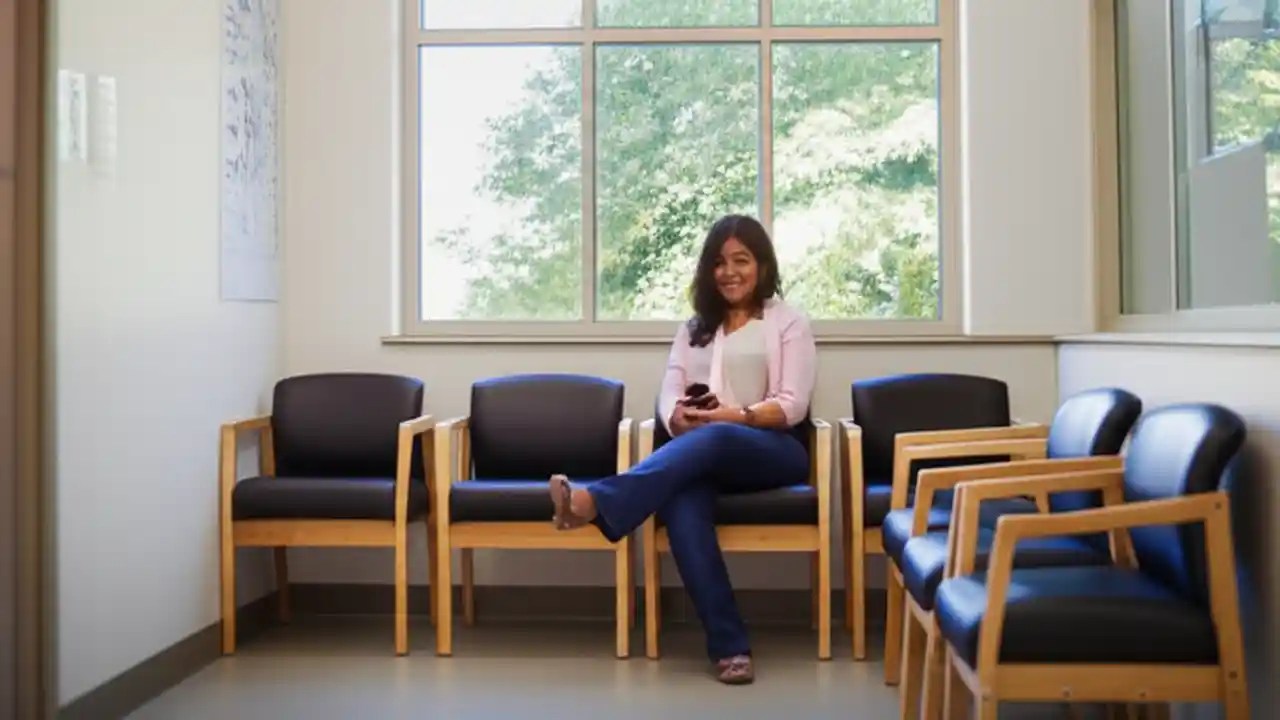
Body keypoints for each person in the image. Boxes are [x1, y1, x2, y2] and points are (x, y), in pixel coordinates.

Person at [549, 214, 816, 685]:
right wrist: (678, 417)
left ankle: (596, 502)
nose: (729, 272)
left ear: (763, 266)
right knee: (682, 502)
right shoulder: (694, 328)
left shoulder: (788, 321)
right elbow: (670, 390)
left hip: (775, 450)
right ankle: (730, 647)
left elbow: (791, 406)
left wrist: (729, 418)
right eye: (718, 262)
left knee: (713, 437)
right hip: (703, 451)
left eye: (741, 260)